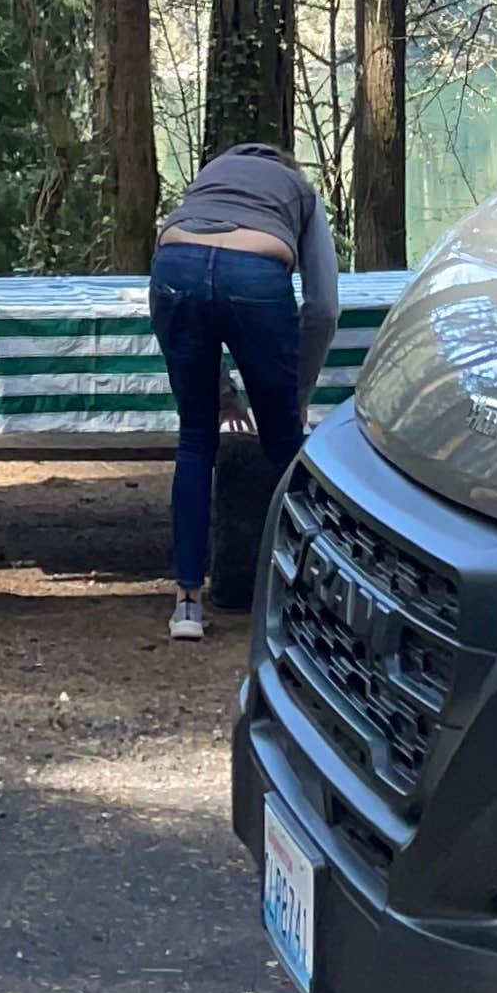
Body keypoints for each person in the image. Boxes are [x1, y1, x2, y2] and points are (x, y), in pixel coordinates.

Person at [148, 145, 339, 639]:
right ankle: (307, 592)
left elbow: (187, 272)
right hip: (254, 277)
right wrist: (296, 395)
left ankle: (187, 605)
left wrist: (221, 393)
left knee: (195, 441)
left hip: (174, 266)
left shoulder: (209, 178)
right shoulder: (300, 191)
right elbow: (322, 308)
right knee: (284, 448)